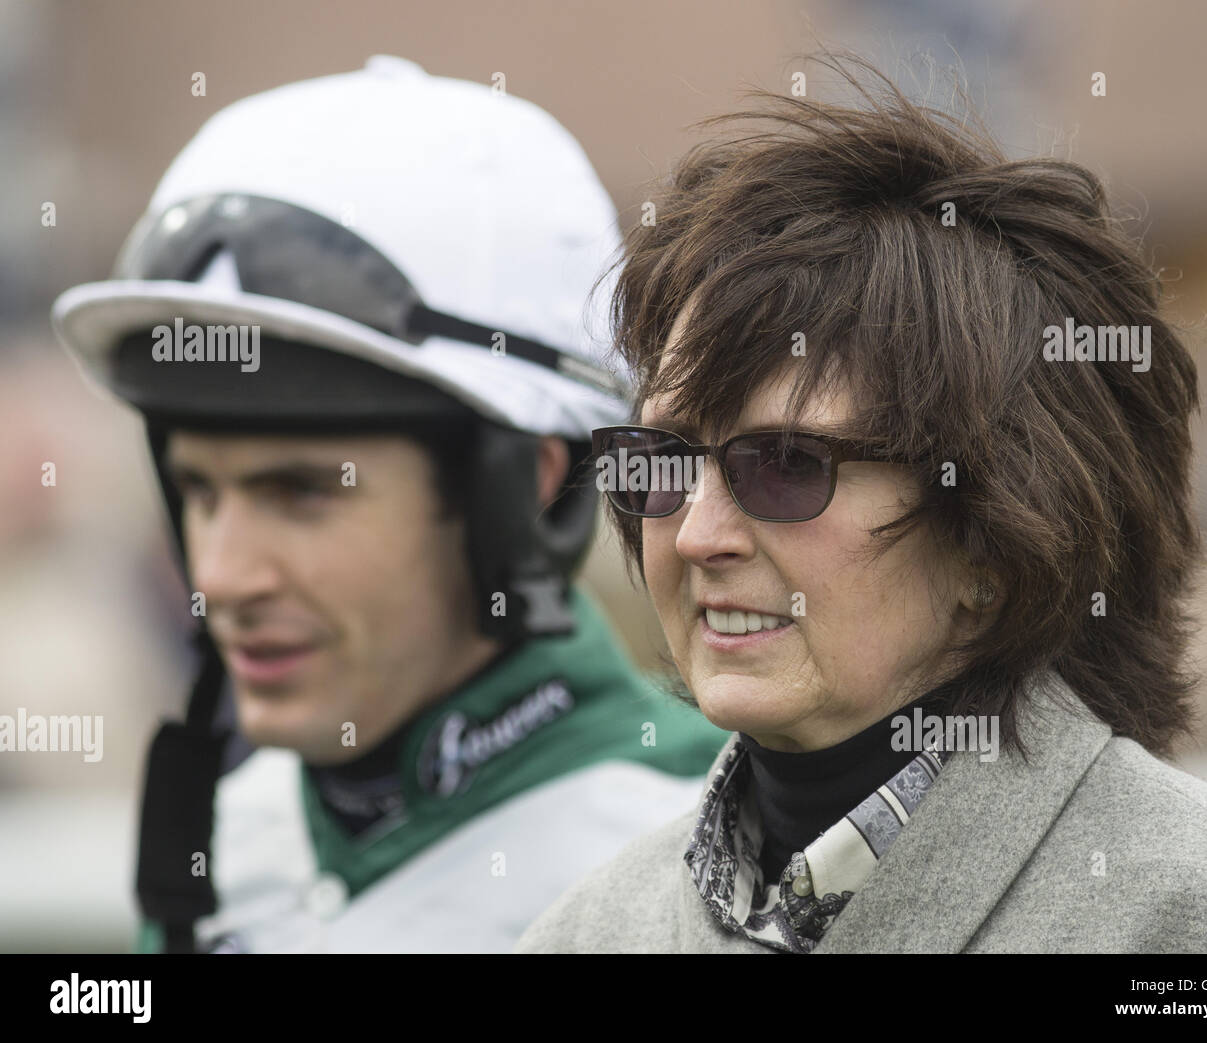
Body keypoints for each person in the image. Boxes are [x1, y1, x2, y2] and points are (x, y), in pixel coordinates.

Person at [516, 58, 1207, 954]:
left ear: (997, 538)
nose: (696, 533)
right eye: (663, 459)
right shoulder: (583, 934)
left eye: (783, 465)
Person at [50, 55, 724, 954]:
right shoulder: (220, 839)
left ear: (520, 489)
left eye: (300, 492)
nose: (221, 576)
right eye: (196, 490)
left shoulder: (716, 867)